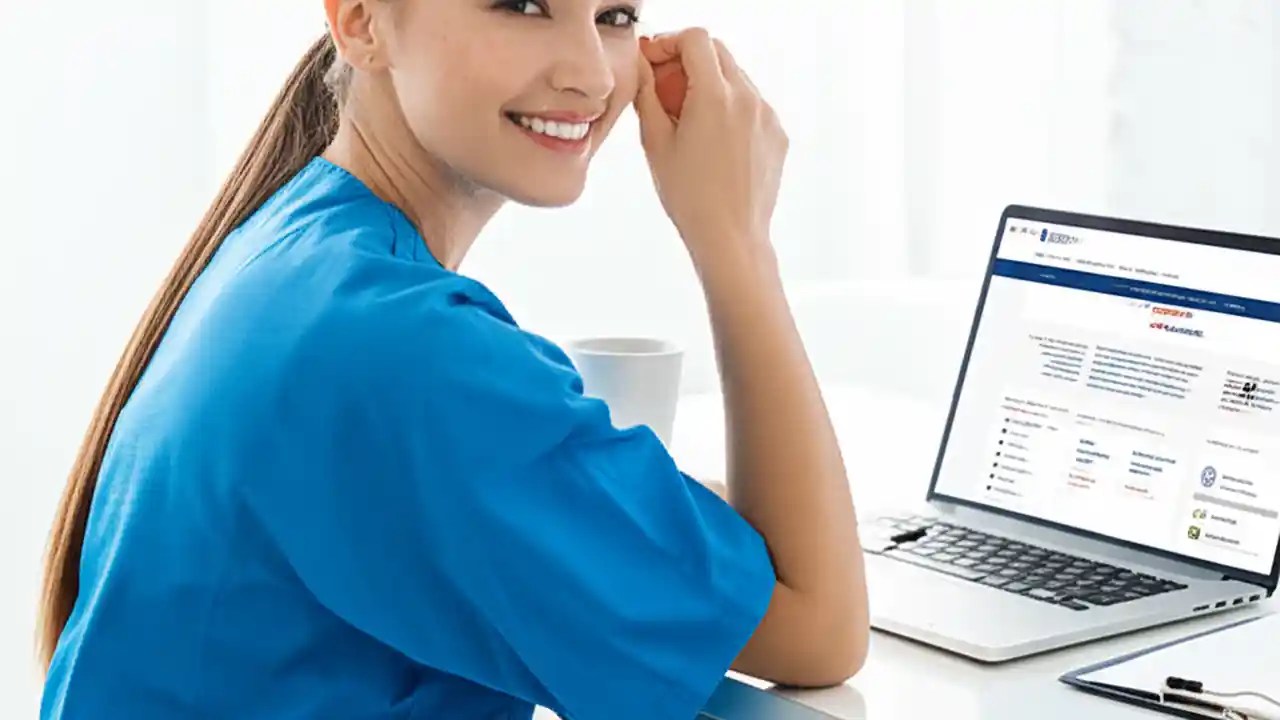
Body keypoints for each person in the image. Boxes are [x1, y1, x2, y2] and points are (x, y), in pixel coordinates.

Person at [37, 0, 869, 717]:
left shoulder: (300, 250)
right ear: (362, 23)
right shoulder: (406, 351)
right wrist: (735, 239)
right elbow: (821, 628)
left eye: (614, 16)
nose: (591, 73)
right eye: (520, 4)